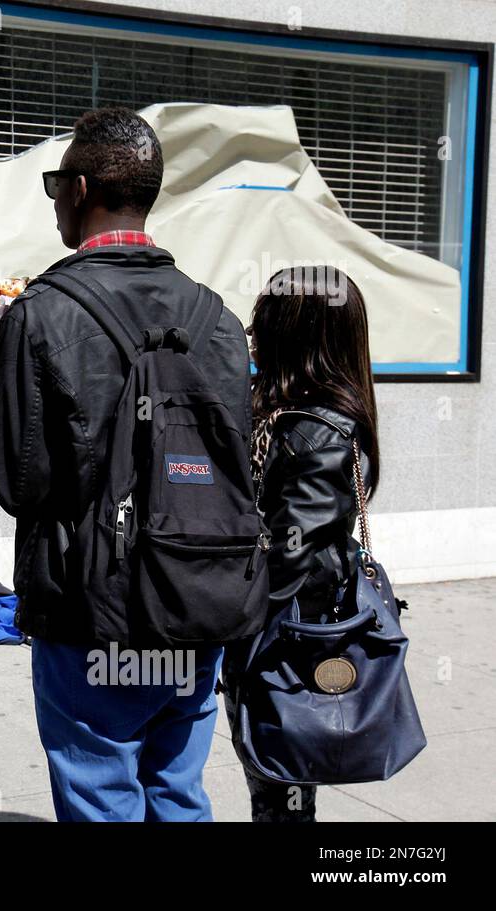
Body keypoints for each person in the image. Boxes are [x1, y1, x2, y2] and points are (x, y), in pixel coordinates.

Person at [0, 108, 251, 821]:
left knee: (101, 796)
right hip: (196, 600)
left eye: (53, 185)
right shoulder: (217, 315)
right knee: (177, 792)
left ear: (77, 188)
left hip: (89, 607)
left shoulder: (39, 312)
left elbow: (18, 480)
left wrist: (7, 370)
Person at [223, 265, 379, 823]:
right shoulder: (289, 411)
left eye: (263, 317)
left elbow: (292, 556)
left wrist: (231, 618)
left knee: (281, 790)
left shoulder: (317, 432)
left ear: (297, 331)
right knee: (277, 785)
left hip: (285, 642)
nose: (251, 329)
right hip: (280, 634)